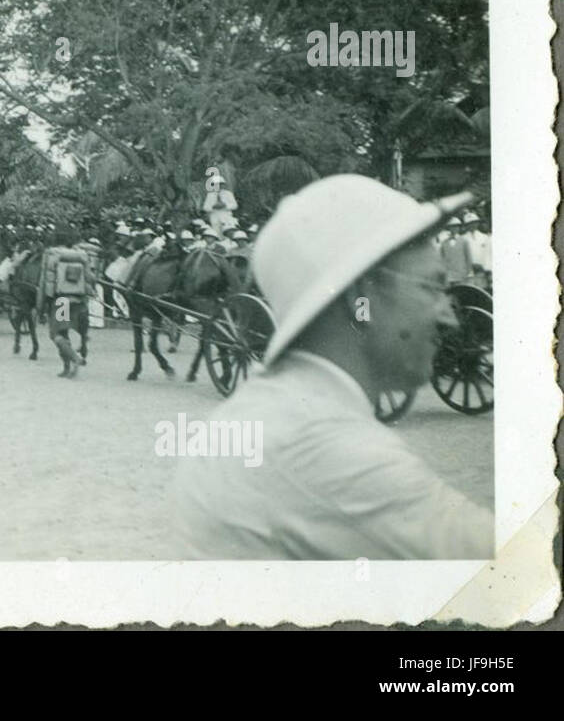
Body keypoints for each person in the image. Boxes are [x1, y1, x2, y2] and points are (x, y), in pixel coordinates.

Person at [172, 175, 493, 559]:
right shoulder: (332, 449)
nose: (450, 318)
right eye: (432, 288)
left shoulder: (266, 416)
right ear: (362, 300)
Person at [37, 229, 94, 378]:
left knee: (57, 334)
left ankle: (74, 359)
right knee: (64, 334)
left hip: (62, 300)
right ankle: (67, 367)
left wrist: (40, 307)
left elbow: (44, 282)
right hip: (80, 300)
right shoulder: (81, 255)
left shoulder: (51, 255)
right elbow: (89, 278)